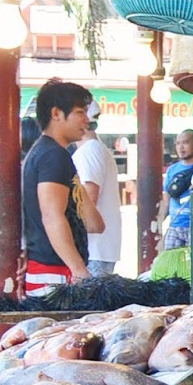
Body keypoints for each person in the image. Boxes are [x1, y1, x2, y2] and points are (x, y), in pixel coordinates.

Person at [22, 81, 104, 294]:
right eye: (80, 112)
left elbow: (95, 224)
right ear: (56, 113)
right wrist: (79, 270)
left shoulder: (54, 154)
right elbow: (51, 216)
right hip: (54, 273)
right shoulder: (53, 156)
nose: (86, 120)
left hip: (53, 271)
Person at [72, 103, 122, 276]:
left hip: (94, 250)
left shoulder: (90, 151)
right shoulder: (95, 149)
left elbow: (88, 198)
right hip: (98, 249)